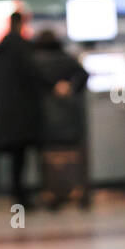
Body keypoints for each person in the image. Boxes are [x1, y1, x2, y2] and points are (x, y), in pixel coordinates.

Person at [28, 28, 89, 209]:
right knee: (74, 155)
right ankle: (77, 193)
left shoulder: (34, 61)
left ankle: (52, 194)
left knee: (48, 158)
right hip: (70, 116)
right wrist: (70, 87)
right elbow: (84, 74)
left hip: (44, 117)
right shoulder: (67, 58)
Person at [0, 12, 42, 210]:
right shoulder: (24, 48)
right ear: (21, 24)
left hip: (6, 111)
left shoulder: (0, 50)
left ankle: (18, 194)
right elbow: (34, 74)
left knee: (15, 158)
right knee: (25, 155)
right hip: (24, 111)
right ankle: (26, 196)